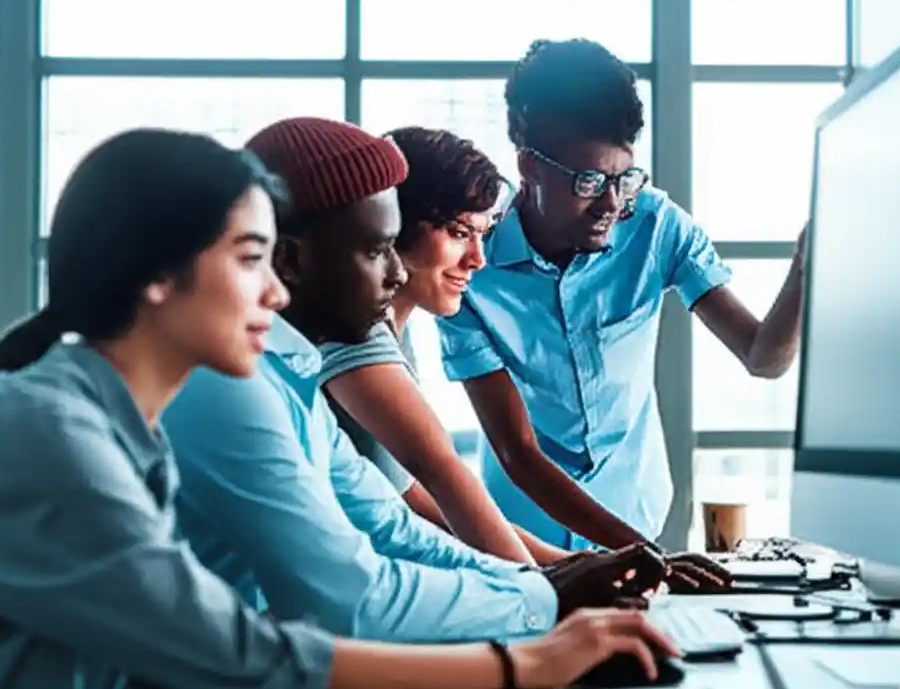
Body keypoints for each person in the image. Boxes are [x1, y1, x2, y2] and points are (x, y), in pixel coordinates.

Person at [0, 128, 676, 689]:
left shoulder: (125, 415)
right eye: (249, 260)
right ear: (157, 276)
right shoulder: (47, 434)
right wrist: (533, 650)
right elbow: (252, 650)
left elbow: (384, 530)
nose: (274, 292)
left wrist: (538, 594)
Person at [161, 116, 666, 645]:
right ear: (290, 259)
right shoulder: (236, 388)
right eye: (378, 249)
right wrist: (543, 610)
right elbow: (353, 597)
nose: (397, 273)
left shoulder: (293, 378)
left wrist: (545, 588)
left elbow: (390, 524)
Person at [313, 125, 730, 592]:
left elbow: (413, 498)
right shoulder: (356, 338)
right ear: (395, 224)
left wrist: (574, 566)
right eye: (457, 233)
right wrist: (548, 589)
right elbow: (439, 480)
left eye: (482, 234)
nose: (478, 259)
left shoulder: (394, 337)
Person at [437, 38, 809, 553]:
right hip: (522, 534)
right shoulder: (470, 261)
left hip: (635, 513)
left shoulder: (656, 226)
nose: (611, 204)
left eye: (623, 178)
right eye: (588, 182)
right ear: (530, 166)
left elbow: (763, 358)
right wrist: (647, 557)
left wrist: (804, 269)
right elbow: (515, 450)